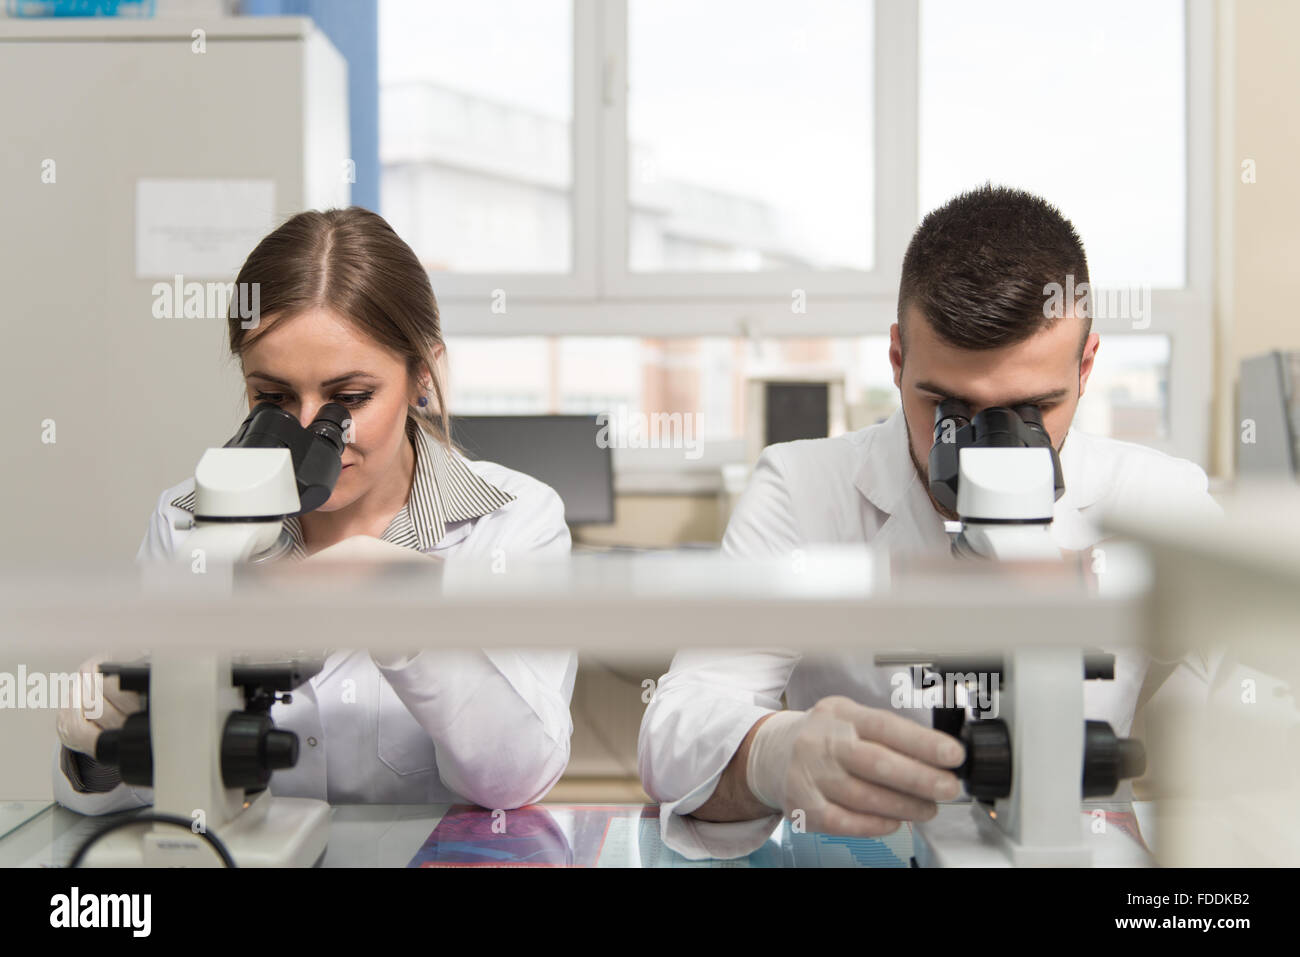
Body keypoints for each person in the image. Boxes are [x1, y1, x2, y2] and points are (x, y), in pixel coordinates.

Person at [638, 184, 1222, 859]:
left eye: (1034, 407)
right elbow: (675, 727)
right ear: (897, 358)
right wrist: (771, 753)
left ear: (1086, 366)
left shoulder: (1156, 500)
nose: (984, 450)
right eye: (950, 408)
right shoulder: (804, 488)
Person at [53, 207, 577, 815]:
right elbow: (127, 805)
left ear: (422, 377)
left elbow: (514, 779)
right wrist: (101, 744)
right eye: (272, 399)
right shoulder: (186, 522)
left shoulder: (511, 522)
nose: (307, 431)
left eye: (349, 399)